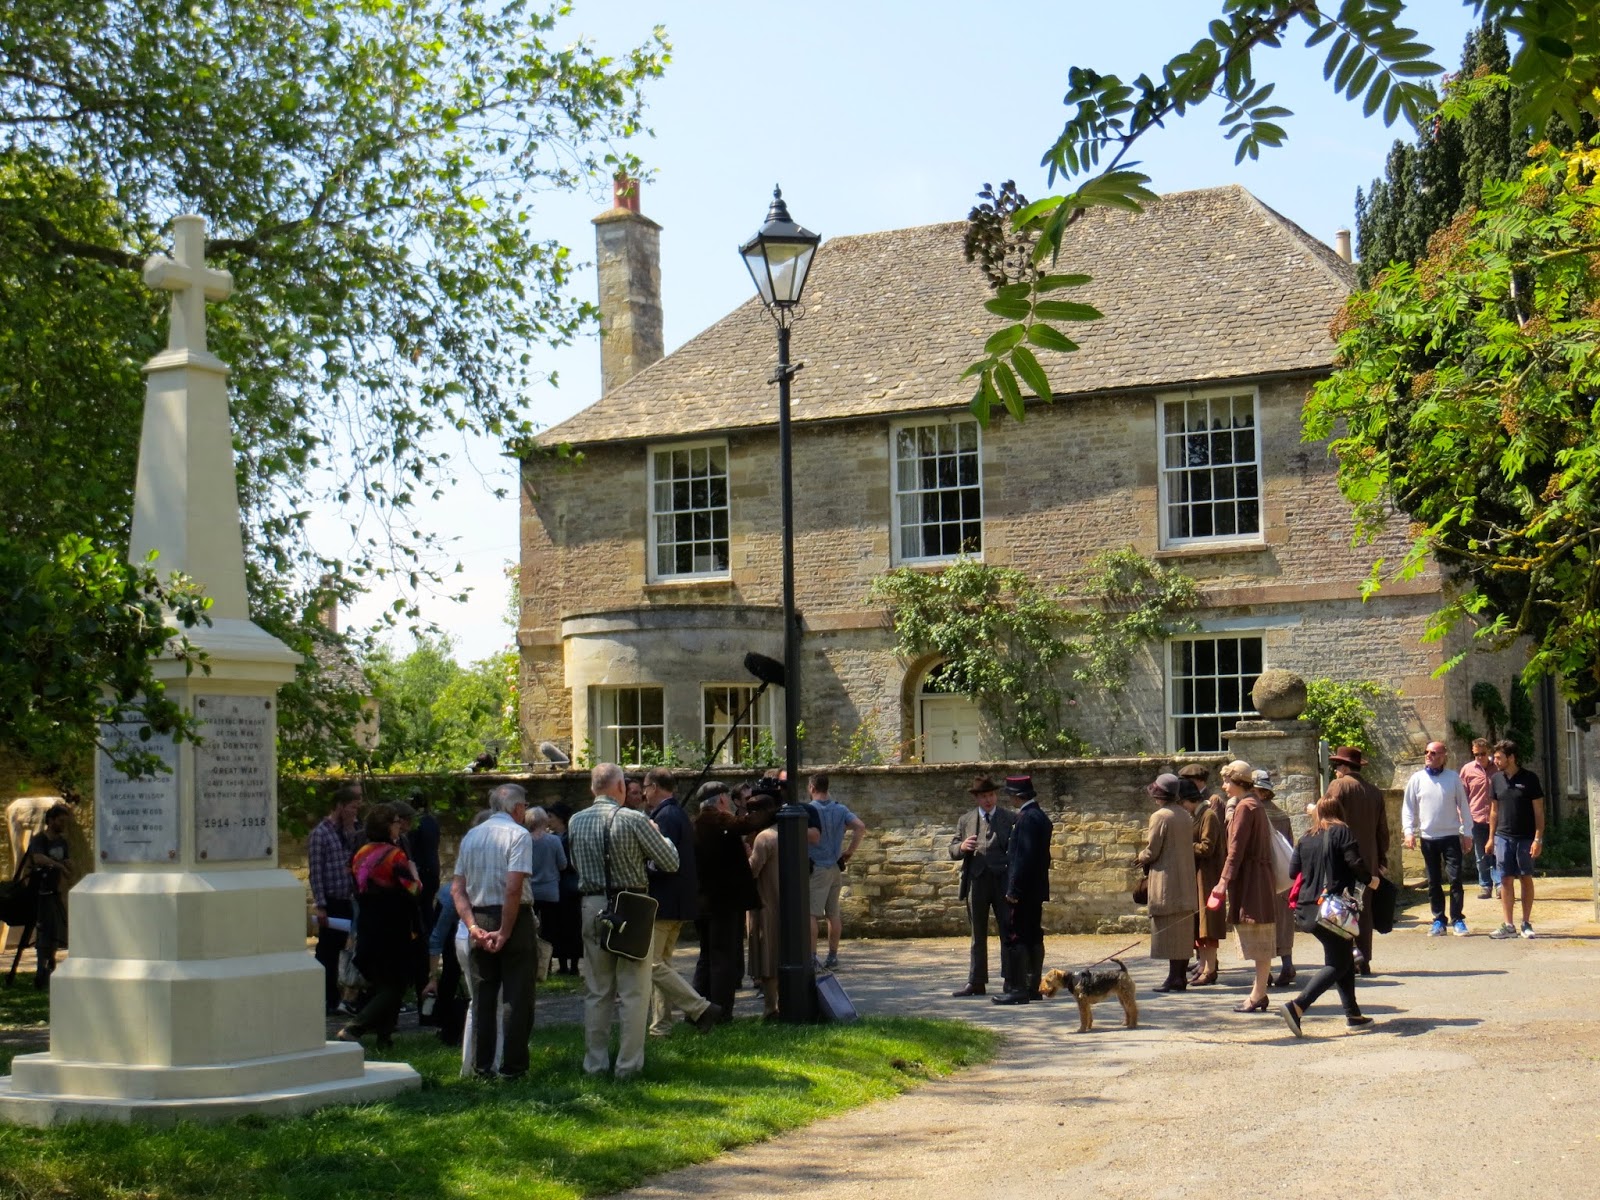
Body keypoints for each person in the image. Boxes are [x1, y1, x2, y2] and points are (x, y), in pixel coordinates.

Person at [569, 763, 685, 1079]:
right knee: (634, 990)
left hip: (592, 903)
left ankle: (594, 1065)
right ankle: (628, 1066)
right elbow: (670, 862)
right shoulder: (636, 819)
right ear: (620, 786)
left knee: (597, 990)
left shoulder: (576, 821)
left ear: (593, 788)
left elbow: (574, 863)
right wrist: (660, 837)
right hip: (631, 904)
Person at [450, 783, 538, 1079]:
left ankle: (482, 1065)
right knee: (517, 994)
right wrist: (505, 930)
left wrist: (473, 927)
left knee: (484, 996)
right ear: (517, 808)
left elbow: (457, 888)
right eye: (524, 806)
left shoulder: (472, 836)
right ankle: (513, 1067)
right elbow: (513, 888)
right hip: (513, 917)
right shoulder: (519, 835)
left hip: (479, 916)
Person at [1280, 795, 1380, 1037]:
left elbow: (1294, 871)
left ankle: (1353, 1015)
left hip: (1307, 908)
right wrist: (1370, 880)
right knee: (1338, 963)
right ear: (1340, 812)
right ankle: (1297, 1006)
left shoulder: (1305, 837)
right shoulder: (1341, 831)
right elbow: (1353, 861)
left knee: (1343, 957)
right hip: (1332, 910)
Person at [337, 803, 423, 1048]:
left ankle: (385, 1039)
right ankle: (356, 1027)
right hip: (393, 926)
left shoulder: (360, 853)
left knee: (382, 982)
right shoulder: (395, 856)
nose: (400, 826)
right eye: (396, 822)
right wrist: (415, 874)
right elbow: (414, 890)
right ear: (387, 826)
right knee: (396, 985)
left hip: (368, 924)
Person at [640, 767, 717, 1037]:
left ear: (657, 787)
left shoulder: (667, 816)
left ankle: (700, 1007)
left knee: (650, 964)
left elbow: (665, 861)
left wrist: (642, 868)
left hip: (665, 901)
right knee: (663, 965)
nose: (644, 792)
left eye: (646, 787)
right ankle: (660, 1026)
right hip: (676, 901)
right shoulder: (675, 813)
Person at [691, 780, 777, 1019]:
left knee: (706, 957)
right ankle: (720, 1011)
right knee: (723, 958)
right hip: (723, 902)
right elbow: (748, 823)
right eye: (727, 798)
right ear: (720, 799)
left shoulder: (695, 823)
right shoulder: (718, 819)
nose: (729, 802)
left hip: (702, 901)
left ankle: (696, 1008)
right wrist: (774, 809)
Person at [1212, 760, 1276, 1013]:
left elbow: (1235, 850)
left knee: (1259, 935)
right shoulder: (1254, 804)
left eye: (1227, 781)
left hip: (1252, 879)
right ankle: (1259, 992)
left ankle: (1258, 993)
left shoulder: (1245, 807)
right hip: (1259, 876)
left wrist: (1222, 881)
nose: (1224, 786)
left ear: (1239, 782)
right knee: (1261, 934)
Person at [948, 774, 1017, 997]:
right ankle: (976, 981)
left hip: (1002, 881)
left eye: (991, 795)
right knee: (978, 934)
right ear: (977, 798)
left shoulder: (1009, 818)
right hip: (976, 881)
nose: (988, 800)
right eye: (984, 796)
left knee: (1007, 931)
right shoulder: (965, 820)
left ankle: (1011, 979)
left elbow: (1017, 850)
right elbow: (952, 849)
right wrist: (962, 847)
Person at [1323, 746, 1388, 973]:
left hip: (1342, 858)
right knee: (1364, 911)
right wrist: (1381, 860)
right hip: (1368, 860)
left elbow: (1326, 818)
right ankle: (1364, 959)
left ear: (1343, 767)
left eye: (1336, 767)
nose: (1335, 771)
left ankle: (1347, 957)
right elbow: (1382, 831)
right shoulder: (1374, 791)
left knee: (1341, 908)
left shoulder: (1338, 786)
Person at [993, 775, 1053, 1006]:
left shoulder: (1027, 819)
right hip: (1036, 888)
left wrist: (1014, 889)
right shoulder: (1040, 817)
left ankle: (1019, 988)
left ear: (1018, 796)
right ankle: (1032, 986)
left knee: (1016, 935)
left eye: (1011, 795)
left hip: (1025, 889)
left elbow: (1022, 858)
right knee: (1033, 934)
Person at [1402, 741, 1472, 936]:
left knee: (1455, 878)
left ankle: (1458, 919)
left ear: (1443, 756)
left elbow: (1464, 807)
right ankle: (1439, 919)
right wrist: (1409, 831)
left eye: (1433, 753)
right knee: (1433, 881)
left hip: (1450, 836)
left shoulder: (1453, 778)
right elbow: (1408, 807)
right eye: (1426, 752)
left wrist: (1467, 833)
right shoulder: (1417, 779)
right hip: (1428, 837)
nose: (1429, 755)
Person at [1136, 773, 1196, 993]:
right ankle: (1179, 976)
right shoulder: (1184, 815)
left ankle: (1174, 977)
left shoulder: (1160, 816)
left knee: (1170, 930)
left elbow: (1152, 850)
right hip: (1185, 880)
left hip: (1167, 880)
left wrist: (1140, 857)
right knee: (1182, 930)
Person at [308, 783, 363, 1013]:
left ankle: (345, 997)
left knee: (348, 949)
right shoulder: (320, 833)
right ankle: (327, 999)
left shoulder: (351, 831)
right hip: (331, 900)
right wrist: (320, 905)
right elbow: (316, 871)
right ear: (340, 806)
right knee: (328, 952)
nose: (355, 812)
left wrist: (352, 830)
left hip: (349, 898)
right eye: (352, 808)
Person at [1487, 740, 1546, 940]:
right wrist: (1490, 838)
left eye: (1498, 757)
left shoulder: (1530, 779)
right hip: (1503, 836)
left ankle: (1526, 923)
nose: (1494, 761)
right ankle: (1509, 924)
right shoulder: (1496, 779)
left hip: (1526, 837)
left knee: (1526, 877)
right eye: (1494, 757)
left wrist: (1538, 838)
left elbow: (1539, 811)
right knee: (1505, 879)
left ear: (1511, 758)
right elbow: (1494, 811)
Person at [807, 773, 865, 969]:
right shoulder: (840, 809)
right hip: (834, 865)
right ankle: (832, 956)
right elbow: (860, 827)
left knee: (811, 914)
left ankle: (812, 957)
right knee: (833, 914)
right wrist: (849, 852)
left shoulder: (809, 810)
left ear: (812, 788)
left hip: (816, 867)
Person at [1253, 769, 1297, 987]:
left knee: (1263, 921)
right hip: (1284, 874)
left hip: (1262, 874)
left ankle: (1265, 972)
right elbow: (1290, 846)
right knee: (1283, 920)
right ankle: (1287, 963)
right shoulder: (1282, 814)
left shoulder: (1255, 813)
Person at [25, 803, 74, 989]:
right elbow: (38, 858)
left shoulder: (62, 842)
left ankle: (50, 966)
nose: (63, 824)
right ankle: (41, 973)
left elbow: (67, 860)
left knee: (56, 931)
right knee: (44, 932)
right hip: (41, 892)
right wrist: (60, 866)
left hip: (56, 892)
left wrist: (69, 866)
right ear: (51, 820)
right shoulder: (40, 839)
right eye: (60, 821)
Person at [1188, 771, 1227, 986]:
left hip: (1208, 877)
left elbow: (1207, 847)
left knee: (1208, 926)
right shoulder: (1198, 815)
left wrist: (1185, 844)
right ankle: (1203, 965)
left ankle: (1210, 969)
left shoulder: (1208, 815)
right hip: (1199, 876)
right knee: (1200, 926)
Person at [747, 813, 782, 1019]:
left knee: (768, 955)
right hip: (787, 904)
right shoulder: (790, 834)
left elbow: (752, 870)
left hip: (766, 902)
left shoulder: (765, 837)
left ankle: (770, 1008)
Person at [524, 805, 568, 961]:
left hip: (530, 890)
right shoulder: (554, 840)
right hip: (550, 890)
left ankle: (531, 959)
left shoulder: (524, 840)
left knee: (530, 928)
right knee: (550, 928)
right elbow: (563, 864)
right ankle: (547, 962)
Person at [545, 802, 584, 975]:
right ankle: (562, 963)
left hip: (569, 885)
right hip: (558, 885)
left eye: (551, 817)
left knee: (573, 925)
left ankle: (574, 964)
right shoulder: (552, 837)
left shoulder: (571, 837)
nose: (548, 820)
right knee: (558, 926)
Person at [1460, 738, 1497, 899]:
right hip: (1476, 817)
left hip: (1498, 818)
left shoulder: (1497, 768)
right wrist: (1462, 818)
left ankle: (1500, 885)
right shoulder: (1467, 770)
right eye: (1476, 754)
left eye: (1482, 754)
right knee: (1480, 854)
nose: (1479, 757)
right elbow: (1462, 796)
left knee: (1498, 853)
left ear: (1488, 752)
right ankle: (1485, 885)